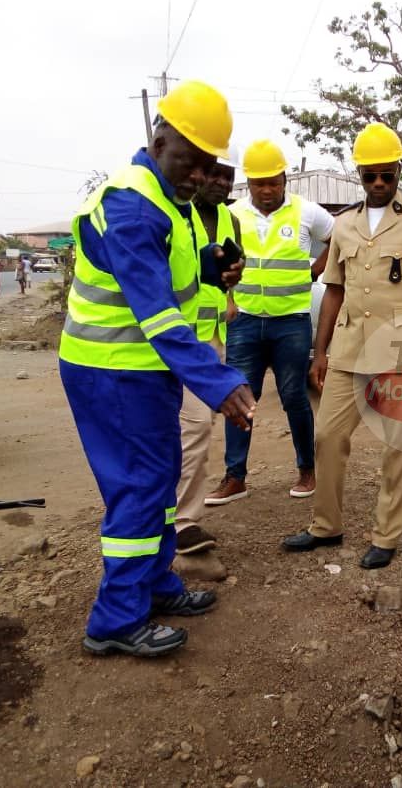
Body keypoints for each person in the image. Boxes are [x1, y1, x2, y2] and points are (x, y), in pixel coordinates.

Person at [59, 80, 256, 657]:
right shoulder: (132, 204)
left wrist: (206, 262)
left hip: (141, 373)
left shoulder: (167, 199)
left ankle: (155, 584)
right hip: (113, 370)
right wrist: (220, 383)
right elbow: (156, 313)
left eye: (206, 166)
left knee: (159, 481)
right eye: (187, 161)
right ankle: (116, 619)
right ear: (158, 137)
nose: (197, 176)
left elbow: (163, 270)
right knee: (139, 488)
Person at [281, 122, 402, 570]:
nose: (377, 183)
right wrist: (321, 351)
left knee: (397, 445)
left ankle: (386, 535)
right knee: (329, 436)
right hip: (350, 348)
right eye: (369, 175)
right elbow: (333, 289)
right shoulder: (343, 225)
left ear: (397, 171)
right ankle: (326, 527)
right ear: (359, 173)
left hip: (398, 349)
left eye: (385, 175)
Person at [206, 140, 334, 505]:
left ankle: (307, 470)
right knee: (240, 397)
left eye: (272, 182)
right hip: (245, 322)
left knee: (294, 396)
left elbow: (338, 238)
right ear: (249, 181)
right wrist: (228, 299)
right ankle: (235, 477)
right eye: (259, 182)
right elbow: (218, 262)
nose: (266, 189)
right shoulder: (232, 215)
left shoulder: (308, 213)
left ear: (284, 179)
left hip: (290, 323)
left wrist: (314, 272)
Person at [173, 152, 240, 557]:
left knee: (195, 430)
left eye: (228, 177)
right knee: (191, 429)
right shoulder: (176, 212)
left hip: (210, 338)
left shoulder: (227, 218)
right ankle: (179, 522)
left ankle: (181, 520)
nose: (220, 183)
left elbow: (225, 266)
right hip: (171, 340)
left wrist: (231, 283)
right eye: (214, 174)